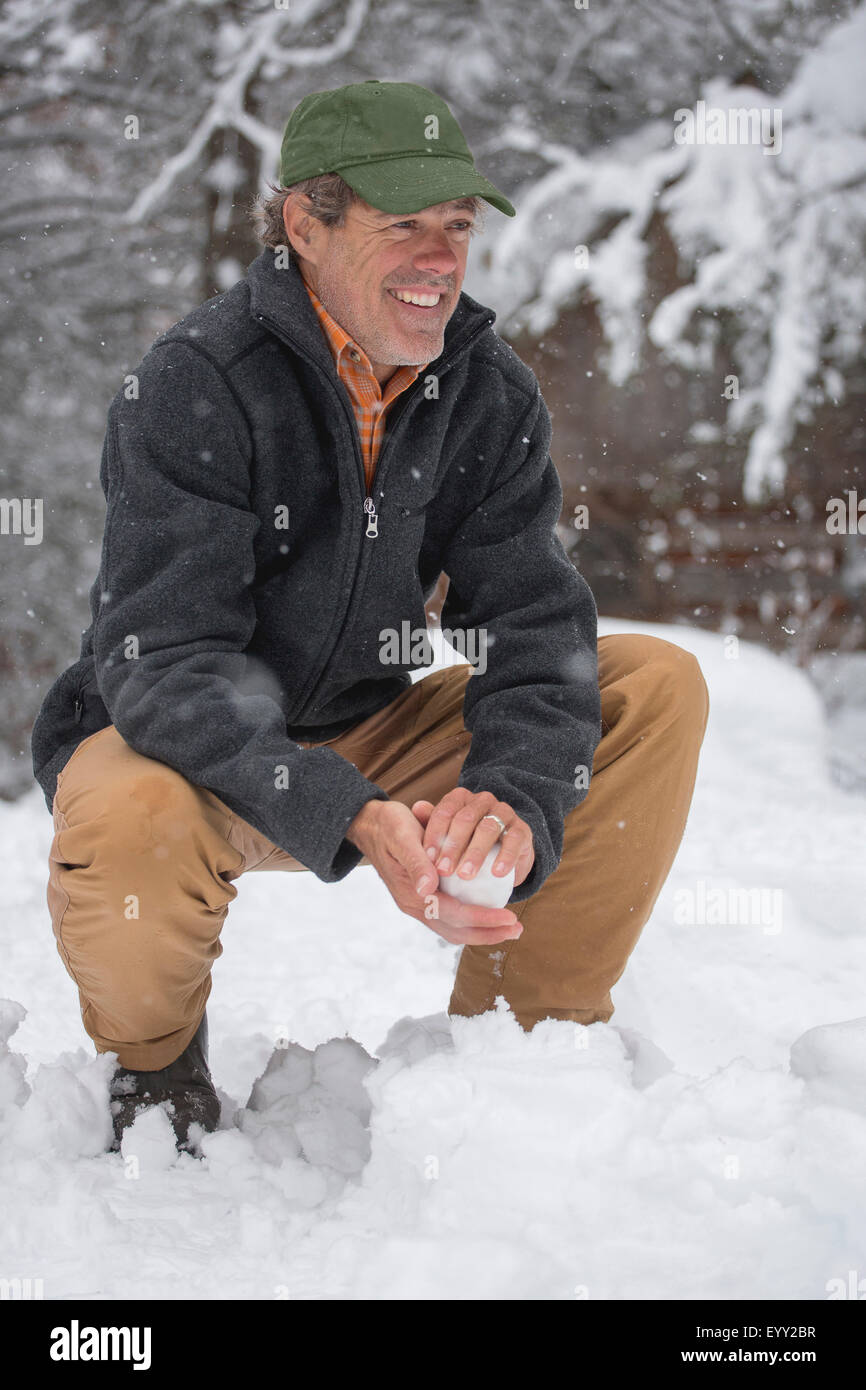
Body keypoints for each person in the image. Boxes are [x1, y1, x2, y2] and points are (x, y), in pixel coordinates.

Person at [31, 80, 709, 1154]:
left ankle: (523, 1049)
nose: (439, 258)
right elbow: (163, 661)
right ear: (306, 223)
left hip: (368, 726)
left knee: (649, 687)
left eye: (456, 226)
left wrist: (514, 800)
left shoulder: (486, 392)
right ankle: (157, 1071)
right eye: (403, 225)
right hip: (186, 745)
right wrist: (343, 810)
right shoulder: (194, 382)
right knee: (125, 813)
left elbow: (532, 630)